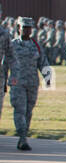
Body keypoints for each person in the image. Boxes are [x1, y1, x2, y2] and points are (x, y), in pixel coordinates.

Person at [9, 17, 50, 150]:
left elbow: (43, 62)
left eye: (29, 28)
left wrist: (47, 78)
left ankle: (24, 135)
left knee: (28, 111)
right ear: (18, 28)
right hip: (17, 83)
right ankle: (22, 137)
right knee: (20, 110)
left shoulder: (35, 45)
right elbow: (5, 63)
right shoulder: (12, 45)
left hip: (32, 83)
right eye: (24, 27)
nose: (27, 30)